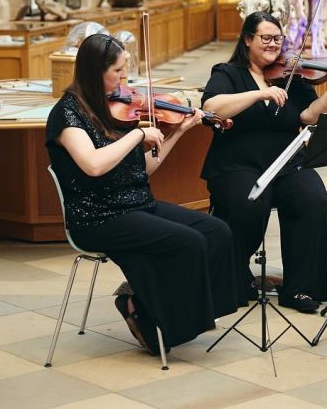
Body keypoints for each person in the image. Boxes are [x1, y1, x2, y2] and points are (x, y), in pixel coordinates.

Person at [46, 33, 240, 354]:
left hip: (136, 204)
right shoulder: (68, 115)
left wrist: (176, 131)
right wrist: (137, 135)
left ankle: (190, 313)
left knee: (215, 231)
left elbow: (146, 169)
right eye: (118, 71)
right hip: (98, 217)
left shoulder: (113, 108)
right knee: (187, 242)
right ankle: (151, 319)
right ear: (96, 71)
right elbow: (93, 165)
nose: (125, 78)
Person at [201, 11, 327, 313]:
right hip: (238, 162)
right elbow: (212, 107)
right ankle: (234, 279)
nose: (273, 44)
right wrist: (258, 95)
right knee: (249, 203)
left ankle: (302, 288)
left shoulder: (290, 74)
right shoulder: (228, 73)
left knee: (311, 198)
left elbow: (310, 115)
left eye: (277, 38)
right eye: (266, 38)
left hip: (285, 162)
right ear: (247, 39)